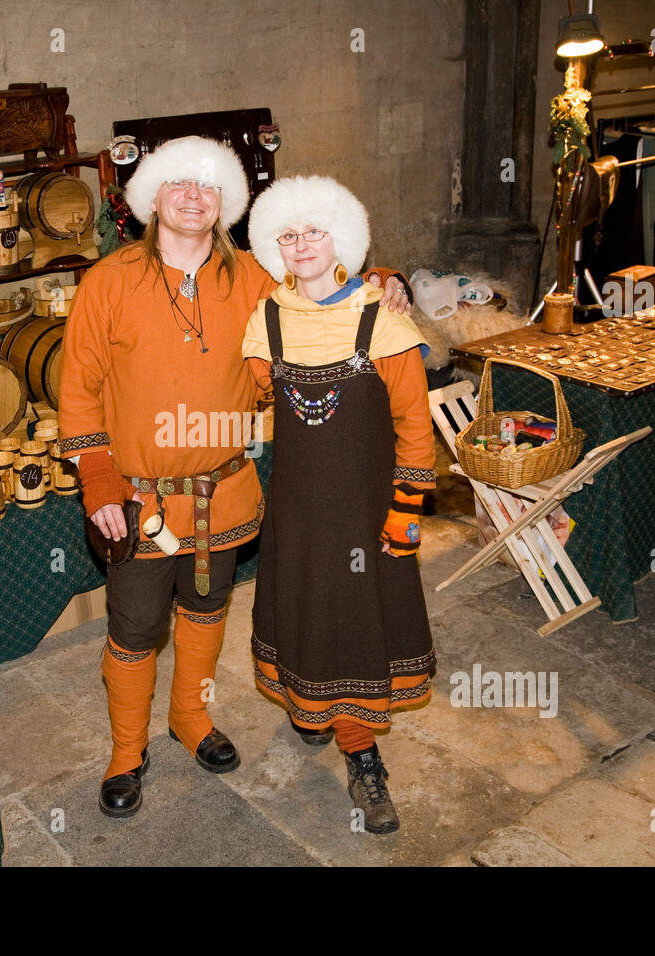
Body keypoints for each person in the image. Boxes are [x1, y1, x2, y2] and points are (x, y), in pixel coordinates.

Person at [58, 139, 410, 819]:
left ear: (227, 203)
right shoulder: (109, 281)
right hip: (139, 499)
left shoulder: (249, 275)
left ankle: (190, 717)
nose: (194, 196)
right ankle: (127, 751)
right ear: (150, 198)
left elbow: (321, 292)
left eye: (210, 186)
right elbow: (78, 388)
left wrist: (383, 279)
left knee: (208, 607)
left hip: (223, 490)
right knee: (135, 628)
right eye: (178, 184)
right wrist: (97, 478)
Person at [242, 175, 437, 834]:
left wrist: (406, 510)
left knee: (353, 630)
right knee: (304, 616)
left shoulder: (384, 319)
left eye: (315, 231)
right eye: (289, 235)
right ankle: (311, 708)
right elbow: (253, 394)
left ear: (342, 238)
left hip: (365, 514)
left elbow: (415, 424)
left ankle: (362, 755)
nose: (302, 245)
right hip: (297, 512)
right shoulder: (266, 318)